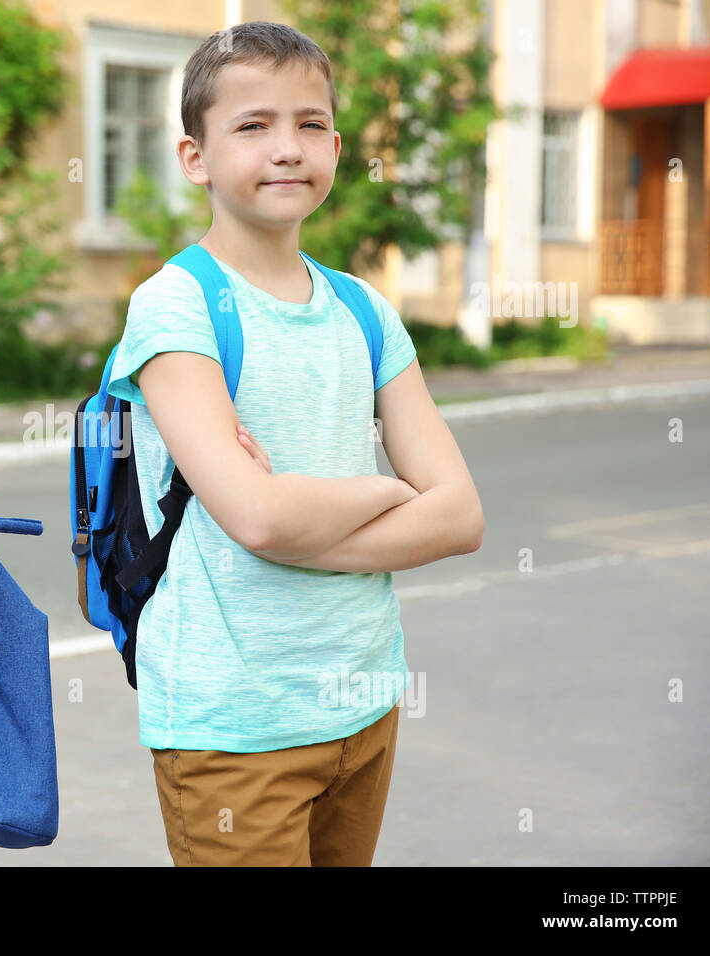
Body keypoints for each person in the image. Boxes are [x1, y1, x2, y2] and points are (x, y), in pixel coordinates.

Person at [102, 21, 484, 865]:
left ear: (339, 148)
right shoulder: (176, 306)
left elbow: (461, 518)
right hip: (234, 722)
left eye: (310, 125)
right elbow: (260, 521)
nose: (288, 147)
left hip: (363, 699)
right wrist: (392, 492)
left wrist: (301, 510)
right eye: (253, 125)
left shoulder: (363, 309)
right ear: (195, 156)